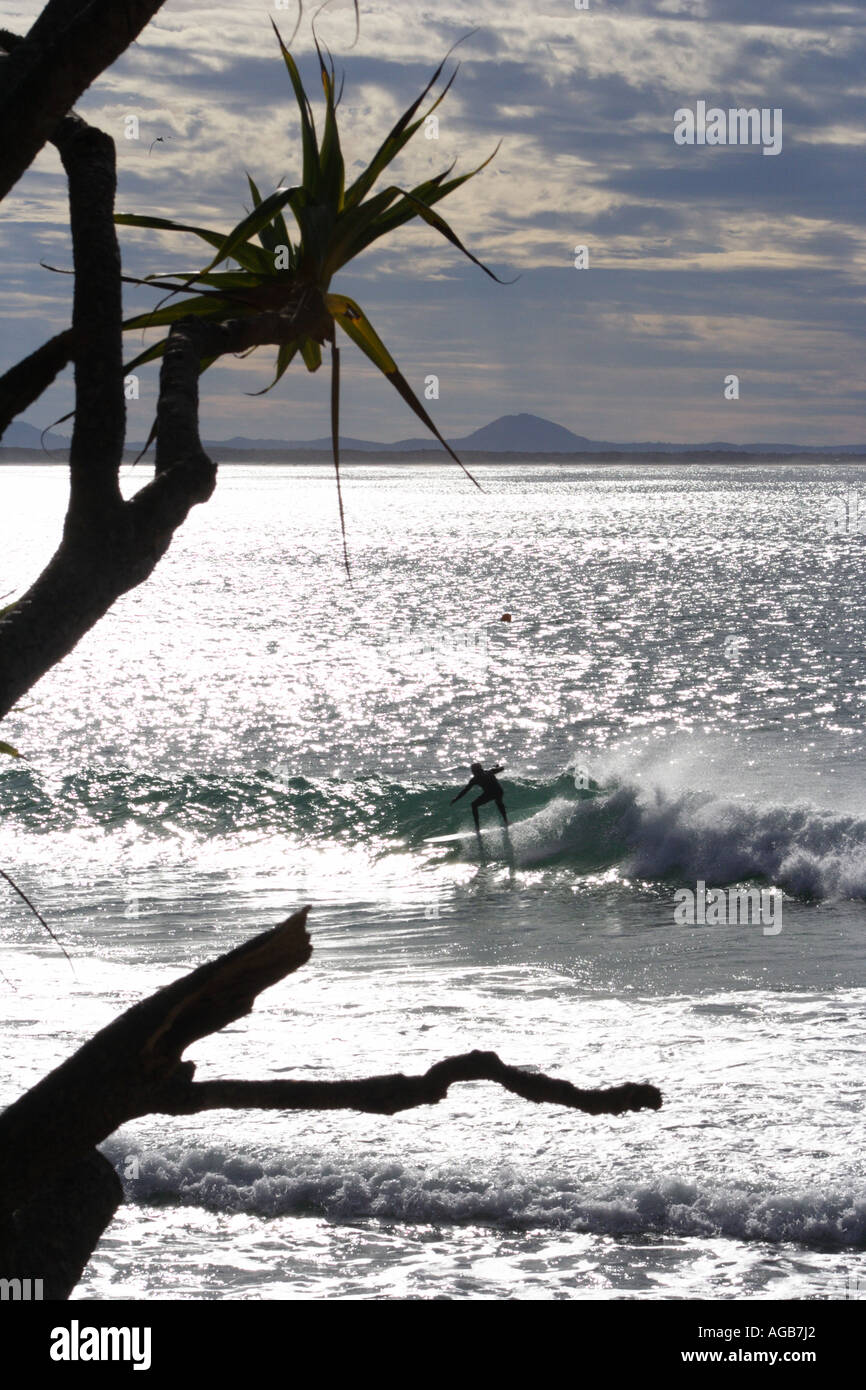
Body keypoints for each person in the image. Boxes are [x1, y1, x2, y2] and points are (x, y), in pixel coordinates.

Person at [451, 762, 508, 833]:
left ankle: (477, 828)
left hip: (494, 792)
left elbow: (465, 790)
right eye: (472, 770)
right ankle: (506, 821)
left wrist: (456, 799)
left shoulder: (477, 778)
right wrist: (497, 767)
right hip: (497, 791)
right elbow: (502, 768)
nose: (473, 772)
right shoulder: (489, 772)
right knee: (498, 802)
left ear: (477, 770)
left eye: (473, 770)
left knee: (474, 805)